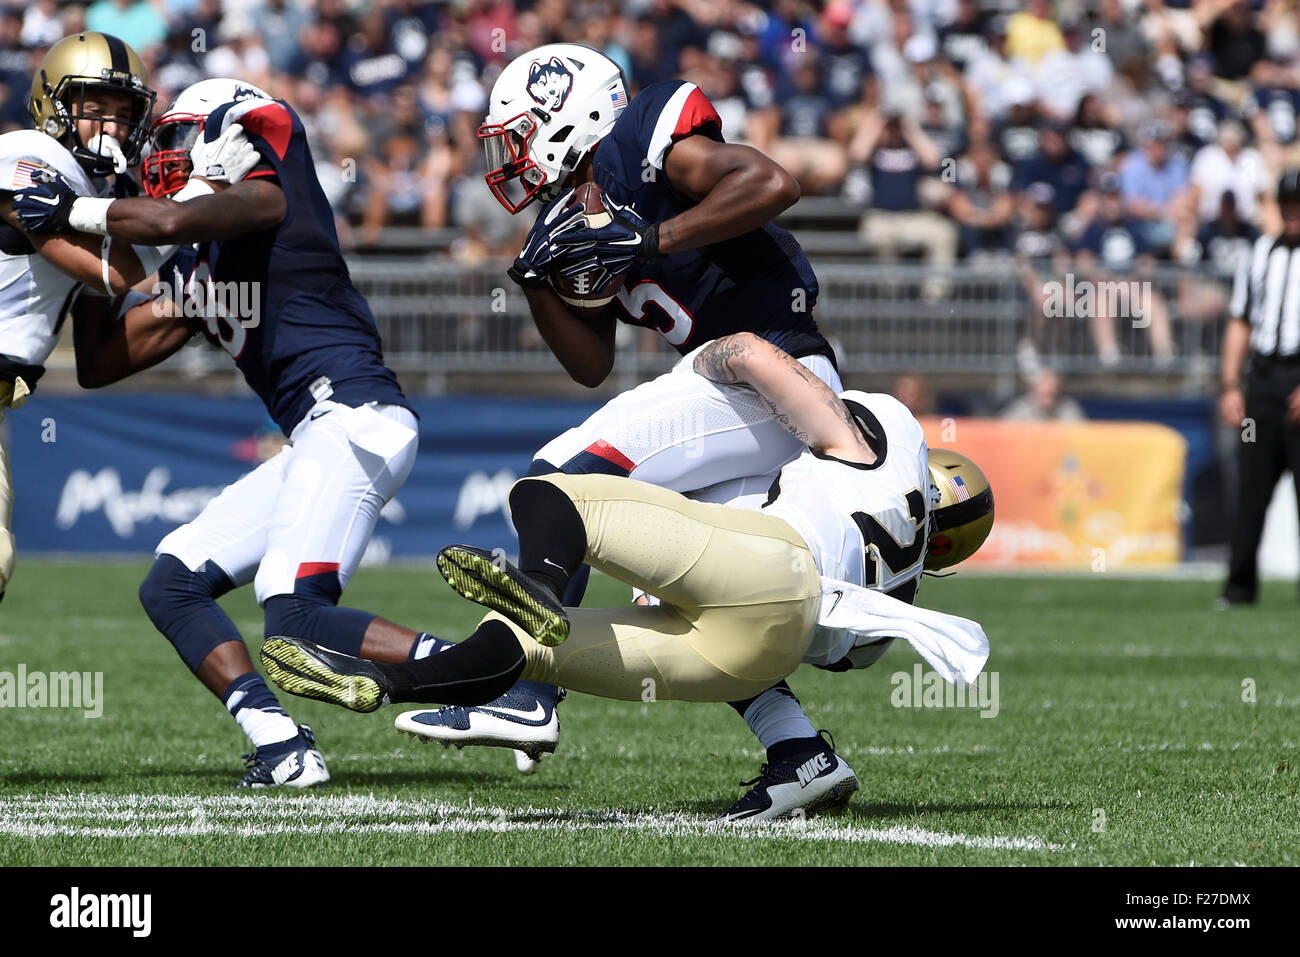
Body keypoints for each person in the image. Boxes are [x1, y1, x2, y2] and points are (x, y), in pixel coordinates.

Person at [257, 331, 995, 823]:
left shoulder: (882, 442)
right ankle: (378, 681)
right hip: (757, 647)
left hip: (768, 567)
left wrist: (706, 365)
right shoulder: (892, 605)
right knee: (531, 649)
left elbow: (752, 353)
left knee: (548, 493)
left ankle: (540, 593)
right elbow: (822, 636)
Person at [408, 42, 861, 813]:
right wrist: (537, 281)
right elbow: (589, 362)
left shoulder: (642, 139)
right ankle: (800, 752)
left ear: (567, 116)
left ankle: (521, 687)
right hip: (735, 394)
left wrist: (653, 239)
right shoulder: (567, 213)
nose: (508, 161)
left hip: (771, 371)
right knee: (678, 583)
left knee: (561, 483)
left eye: (517, 136)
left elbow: (770, 181)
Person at [13, 78, 432, 788]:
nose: (167, 154)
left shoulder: (269, 201)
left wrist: (83, 209)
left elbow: (173, 222)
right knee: (172, 581)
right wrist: (94, 265)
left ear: (229, 137)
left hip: (351, 415)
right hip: (315, 433)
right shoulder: (199, 264)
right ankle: (281, 744)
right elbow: (103, 361)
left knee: (293, 614)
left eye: (183, 138)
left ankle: (488, 672)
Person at [0, 31, 159, 603]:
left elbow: (96, 358)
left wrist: (194, 312)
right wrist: (176, 226)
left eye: (124, 113)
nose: (111, 126)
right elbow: (116, 271)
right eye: (94, 109)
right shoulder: (32, 155)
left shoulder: (95, 194)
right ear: (54, 107)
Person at [1217, 169, 1300, 608]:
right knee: (1252, 488)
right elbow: (1240, 320)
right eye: (1286, 205)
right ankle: (1239, 588)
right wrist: (1231, 384)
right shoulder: (1261, 253)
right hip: (1263, 380)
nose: (1292, 214)